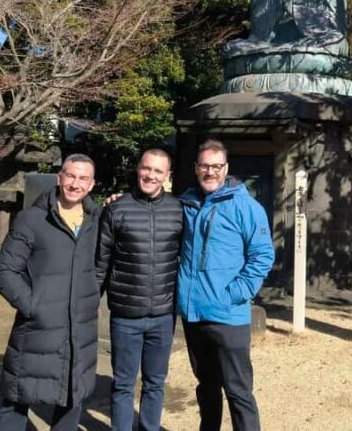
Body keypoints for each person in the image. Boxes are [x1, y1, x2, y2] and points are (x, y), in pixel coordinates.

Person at [0, 153, 100, 431]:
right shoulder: (32, 219)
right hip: (37, 327)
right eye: (71, 176)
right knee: (18, 395)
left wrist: (88, 297)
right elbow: (5, 270)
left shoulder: (97, 221)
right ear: (59, 178)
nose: (75, 184)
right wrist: (33, 306)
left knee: (71, 396)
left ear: (91, 185)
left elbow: (101, 267)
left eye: (83, 178)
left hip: (79, 328)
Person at [176, 139, 275, 431]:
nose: (210, 172)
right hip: (194, 314)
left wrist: (236, 293)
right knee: (206, 386)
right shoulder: (187, 203)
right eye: (205, 166)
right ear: (196, 167)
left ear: (226, 168)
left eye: (216, 166)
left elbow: (262, 255)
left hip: (228, 315)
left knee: (238, 391)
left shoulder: (246, 206)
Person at [96, 148, 184, 431]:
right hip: (125, 315)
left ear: (167, 175)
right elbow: (101, 262)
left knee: (155, 383)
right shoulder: (116, 209)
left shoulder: (178, 210)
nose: (151, 175)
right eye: (147, 168)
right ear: (138, 169)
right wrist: (87, 304)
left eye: (158, 171)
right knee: (123, 384)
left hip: (163, 314)